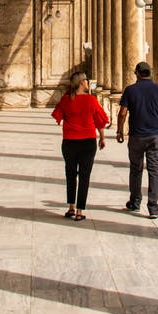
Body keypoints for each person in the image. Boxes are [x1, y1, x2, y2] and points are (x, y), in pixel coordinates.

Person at [116, 61, 158, 218]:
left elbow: (122, 113)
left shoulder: (130, 90)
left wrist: (119, 131)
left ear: (137, 73)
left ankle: (135, 202)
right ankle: (153, 207)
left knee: (136, 169)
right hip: (154, 136)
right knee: (154, 171)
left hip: (136, 136)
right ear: (150, 73)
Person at [52, 71, 108, 221]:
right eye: (86, 81)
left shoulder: (65, 99)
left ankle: (70, 207)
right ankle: (79, 211)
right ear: (83, 83)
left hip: (69, 142)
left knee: (70, 175)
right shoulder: (91, 100)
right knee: (84, 176)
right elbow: (100, 121)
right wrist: (102, 138)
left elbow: (57, 115)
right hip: (87, 142)